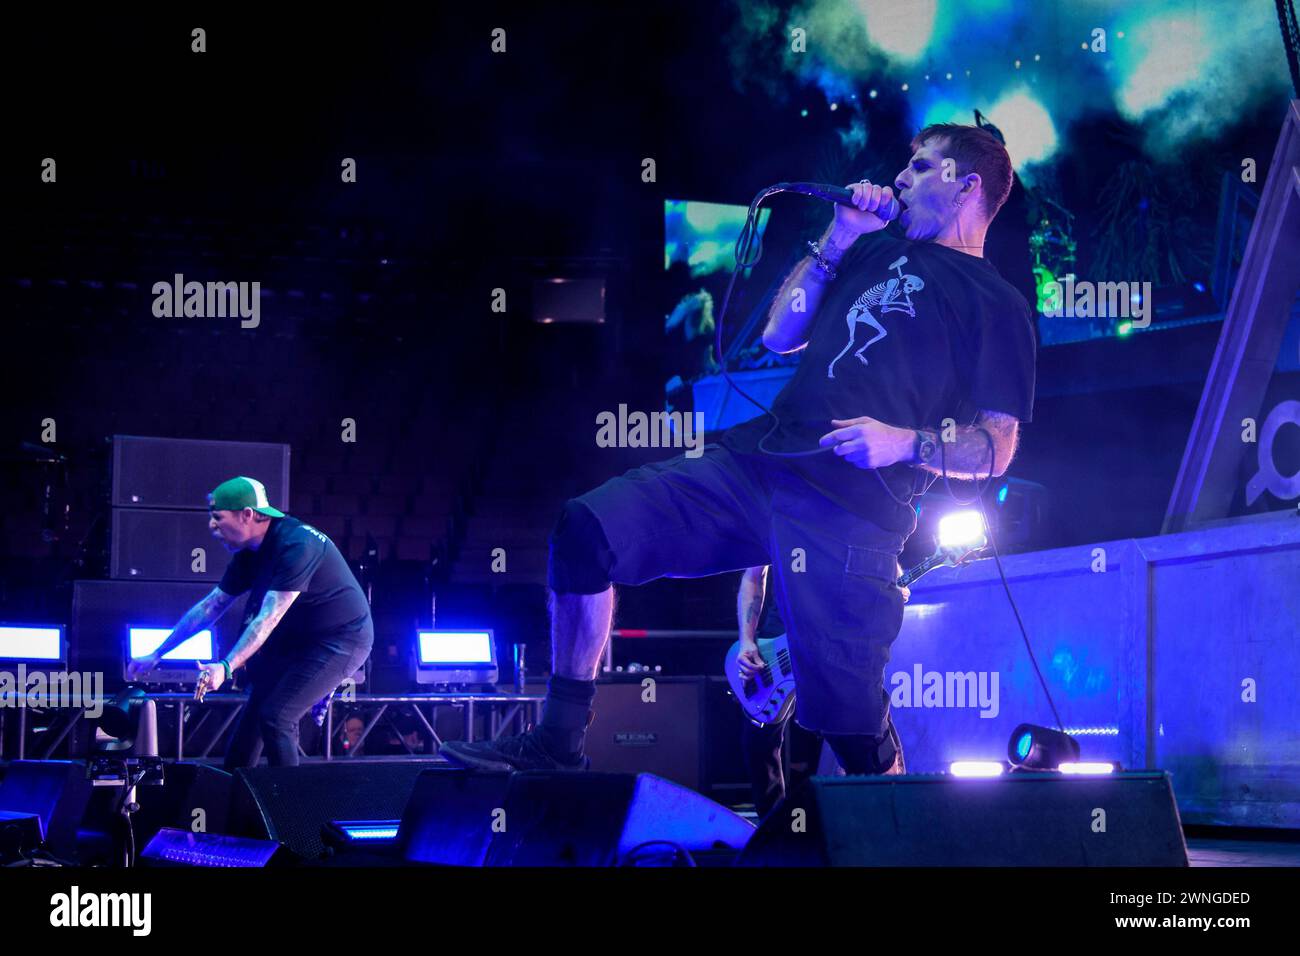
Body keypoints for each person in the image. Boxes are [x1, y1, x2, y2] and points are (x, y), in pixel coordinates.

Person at [440, 123, 1035, 777]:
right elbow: (781, 334)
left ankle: (891, 837)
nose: (899, 178)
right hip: (756, 464)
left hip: (851, 510)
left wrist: (905, 443)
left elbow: (995, 448)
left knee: (850, 729)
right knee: (585, 529)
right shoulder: (868, 251)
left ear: (967, 184)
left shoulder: (996, 304)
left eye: (921, 168)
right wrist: (836, 239)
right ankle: (557, 739)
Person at [127, 476, 373, 768]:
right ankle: (235, 800)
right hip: (296, 640)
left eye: (218, 517)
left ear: (246, 515)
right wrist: (158, 653)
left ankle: (286, 809)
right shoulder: (249, 554)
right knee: (251, 726)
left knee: (276, 717)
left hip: (341, 639)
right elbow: (211, 606)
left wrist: (226, 665)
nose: (211, 526)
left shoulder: (297, 544)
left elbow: (267, 618)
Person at [735, 564, 909, 818]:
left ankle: (882, 821)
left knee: (861, 732)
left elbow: (887, 559)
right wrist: (747, 641)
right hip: (780, 638)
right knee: (758, 739)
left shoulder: (849, 523)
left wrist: (896, 584)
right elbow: (752, 575)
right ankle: (773, 828)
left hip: (836, 642)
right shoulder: (773, 523)